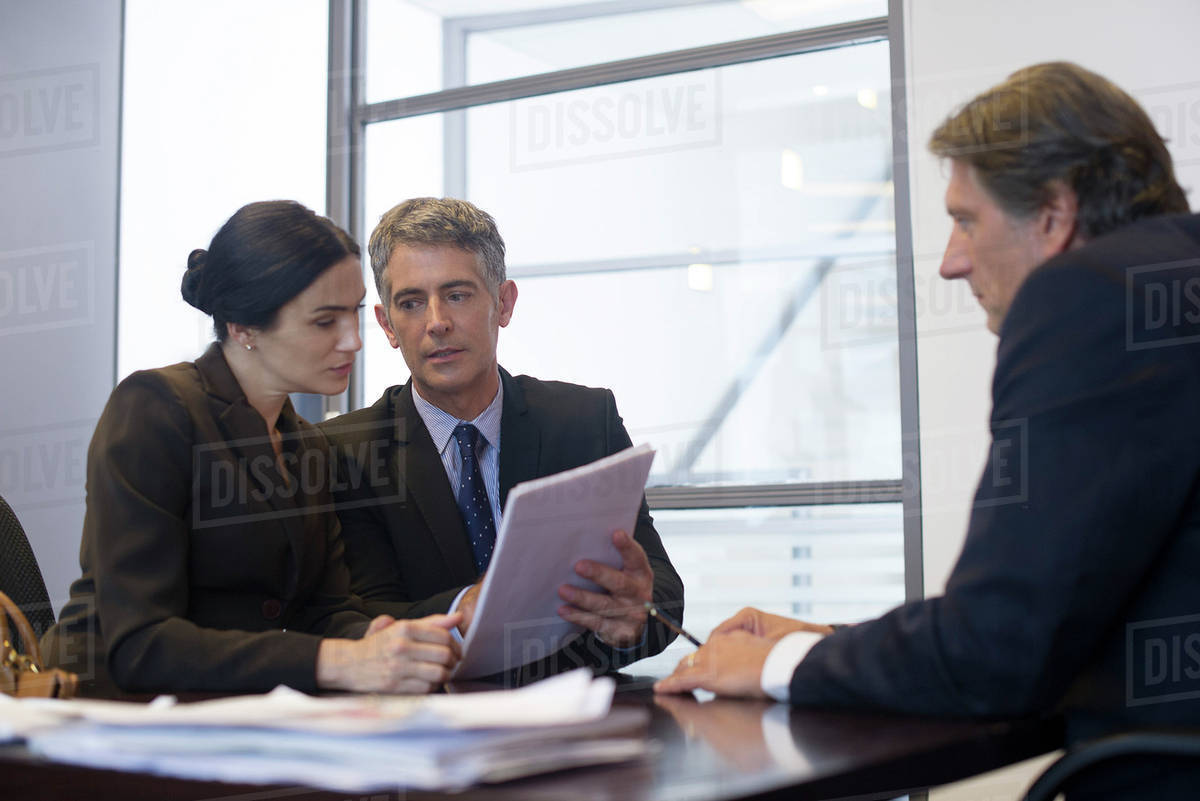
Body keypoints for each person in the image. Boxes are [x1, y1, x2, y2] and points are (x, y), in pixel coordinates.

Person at [655, 62, 1199, 799]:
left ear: (1052, 213)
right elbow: (1067, 611)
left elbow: (998, 648)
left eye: (967, 220)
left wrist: (779, 666)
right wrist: (826, 644)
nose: (950, 262)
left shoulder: (1087, 296)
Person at [42, 201, 460, 695]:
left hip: (235, 709)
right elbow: (141, 644)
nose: (353, 341)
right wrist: (339, 660)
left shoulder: (305, 444)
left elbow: (325, 612)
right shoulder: (155, 408)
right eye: (325, 321)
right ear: (243, 329)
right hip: (108, 707)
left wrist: (380, 640)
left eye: (353, 312)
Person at [321, 197, 684, 677]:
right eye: (411, 303)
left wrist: (635, 618)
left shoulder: (583, 421)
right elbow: (352, 617)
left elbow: (662, 593)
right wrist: (464, 610)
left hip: (573, 705)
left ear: (504, 303)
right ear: (388, 324)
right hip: (429, 710)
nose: (436, 322)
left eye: (457, 295)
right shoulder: (344, 453)